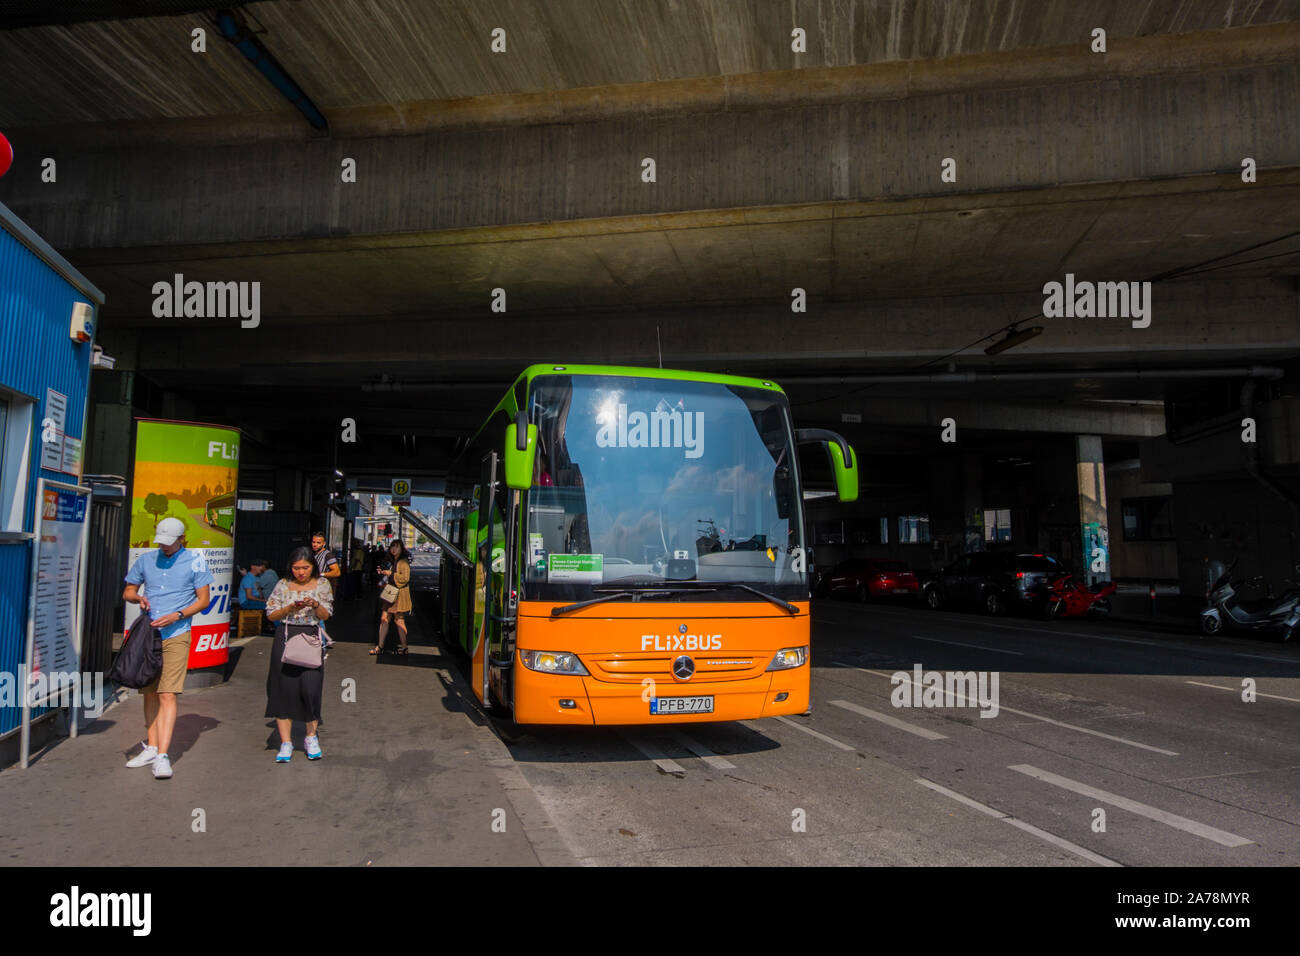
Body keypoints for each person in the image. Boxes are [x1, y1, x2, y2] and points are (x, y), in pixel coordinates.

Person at [121, 516, 213, 780]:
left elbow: (203, 600)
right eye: (161, 542)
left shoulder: (195, 560)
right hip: (148, 635)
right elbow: (128, 591)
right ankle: (151, 747)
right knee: (148, 692)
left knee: (168, 694)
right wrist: (137, 597)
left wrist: (178, 615)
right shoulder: (146, 559)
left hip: (177, 633)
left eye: (170, 543)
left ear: (182, 539)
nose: (164, 547)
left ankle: (163, 755)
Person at [264, 547, 333, 762]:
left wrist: (315, 605)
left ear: (313, 566)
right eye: (296, 568)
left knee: (311, 689)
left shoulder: (322, 584)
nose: (301, 572)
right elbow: (270, 613)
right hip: (285, 635)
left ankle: (311, 736)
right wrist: (288, 609)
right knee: (282, 689)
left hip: (311, 636)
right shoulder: (283, 584)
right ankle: (286, 742)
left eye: (305, 567)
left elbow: (327, 614)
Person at [370, 539, 412, 655]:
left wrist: (390, 574)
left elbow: (405, 578)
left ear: (401, 549)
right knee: (384, 619)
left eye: (397, 547)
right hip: (391, 593)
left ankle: (404, 647)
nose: (394, 549)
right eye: (392, 546)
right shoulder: (393, 560)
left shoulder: (403, 562)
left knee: (398, 620)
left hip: (397, 594)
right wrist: (384, 573)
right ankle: (380, 646)